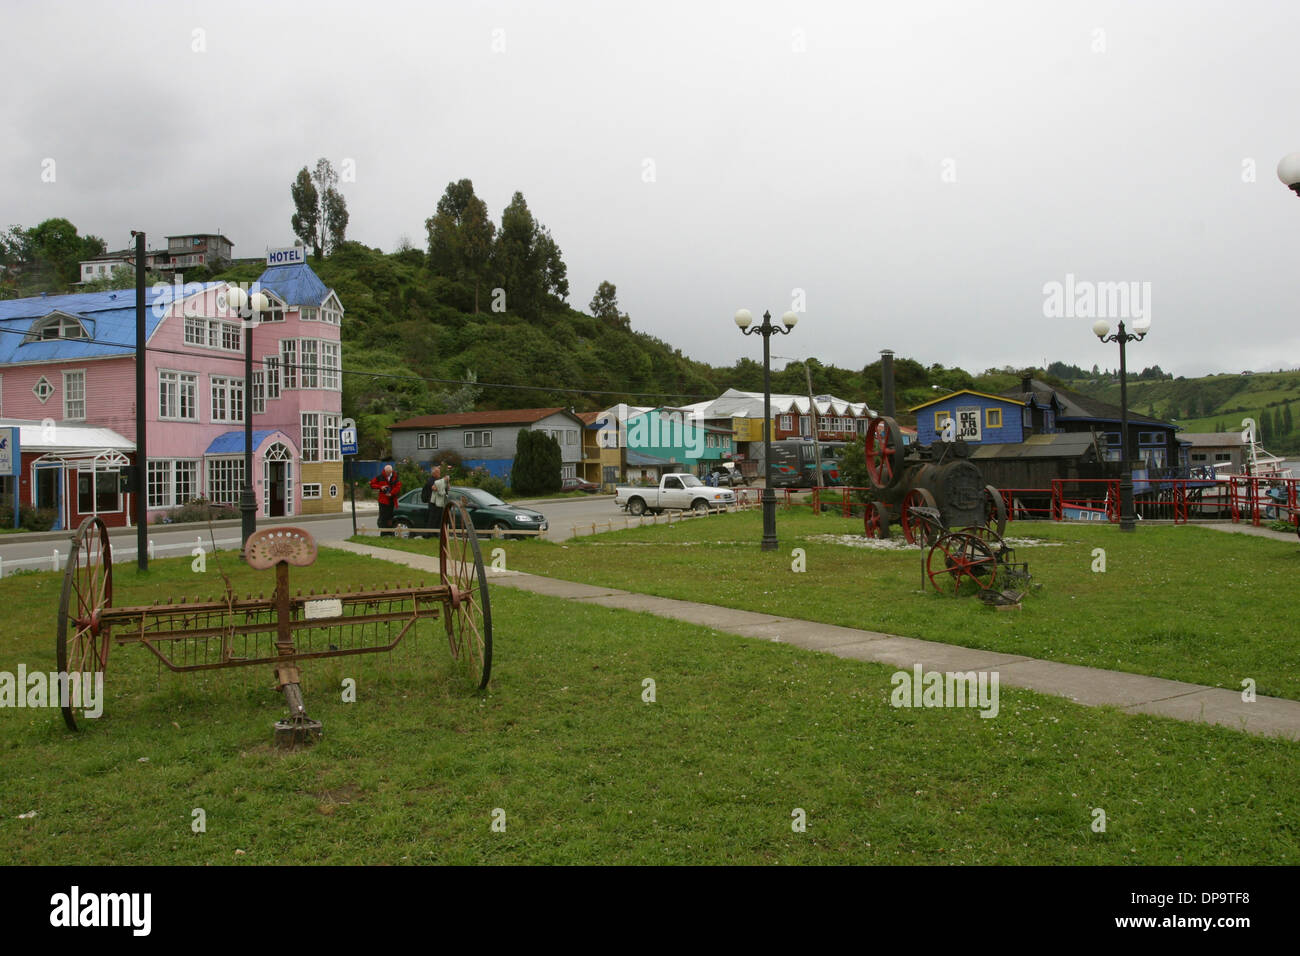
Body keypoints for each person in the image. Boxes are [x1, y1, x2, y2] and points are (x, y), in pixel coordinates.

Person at [370, 464, 401, 536]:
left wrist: (391, 493)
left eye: (389, 472)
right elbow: (372, 484)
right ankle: (383, 533)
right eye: (387, 472)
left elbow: (398, 487)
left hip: (392, 500)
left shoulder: (395, 477)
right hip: (383, 501)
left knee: (390, 517)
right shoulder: (380, 477)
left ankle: (390, 533)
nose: (388, 474)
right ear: (385, 471)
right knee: (383, 518)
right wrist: (380, 487)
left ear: (392, 471)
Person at [422, 465, 450, 536]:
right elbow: (435, 488)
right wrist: (444, 480)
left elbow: (447, 489)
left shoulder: (439, 480)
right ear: (434, 473)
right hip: (433, 504)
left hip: (440, 503)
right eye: (438, 473)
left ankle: (436, 534)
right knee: (432, 520)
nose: (439, 474)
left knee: (439, 520)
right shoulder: (430, 480)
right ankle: (428, 535)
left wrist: (447, 482)